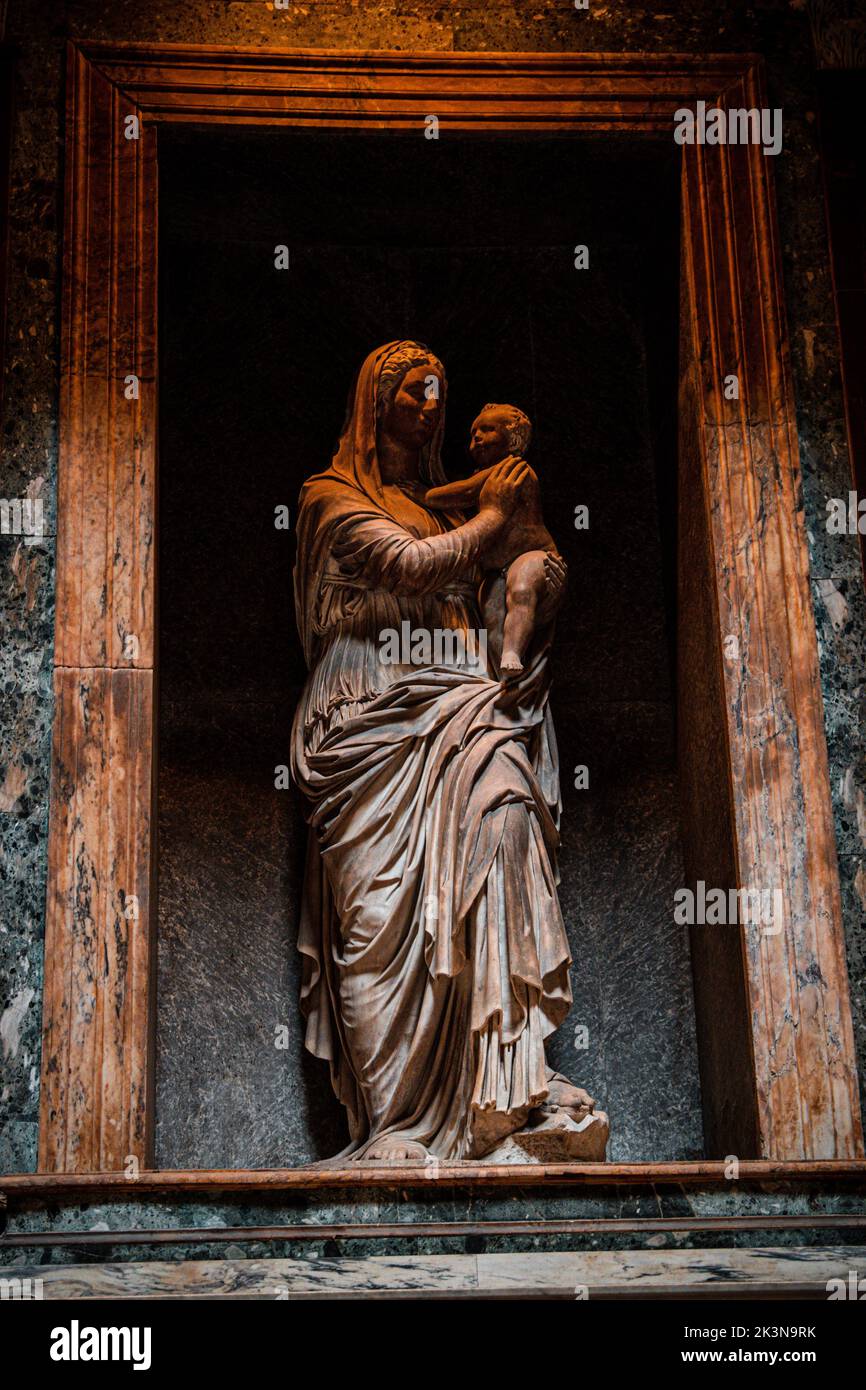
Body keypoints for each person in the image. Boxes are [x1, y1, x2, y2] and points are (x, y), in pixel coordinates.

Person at [291, 340, 603, 1162]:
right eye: (414, 390)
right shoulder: (328, 498)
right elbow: (406, 565)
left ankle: (507, 1081)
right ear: (376, 400)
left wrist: (533, 569)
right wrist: (494, 520)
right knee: (374, 918)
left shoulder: (446, 508)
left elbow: (506, 590)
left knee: (506, 818)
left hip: (466, 700)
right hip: (367, 716)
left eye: (440, 392)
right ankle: (396, 1122)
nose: (432, 406)